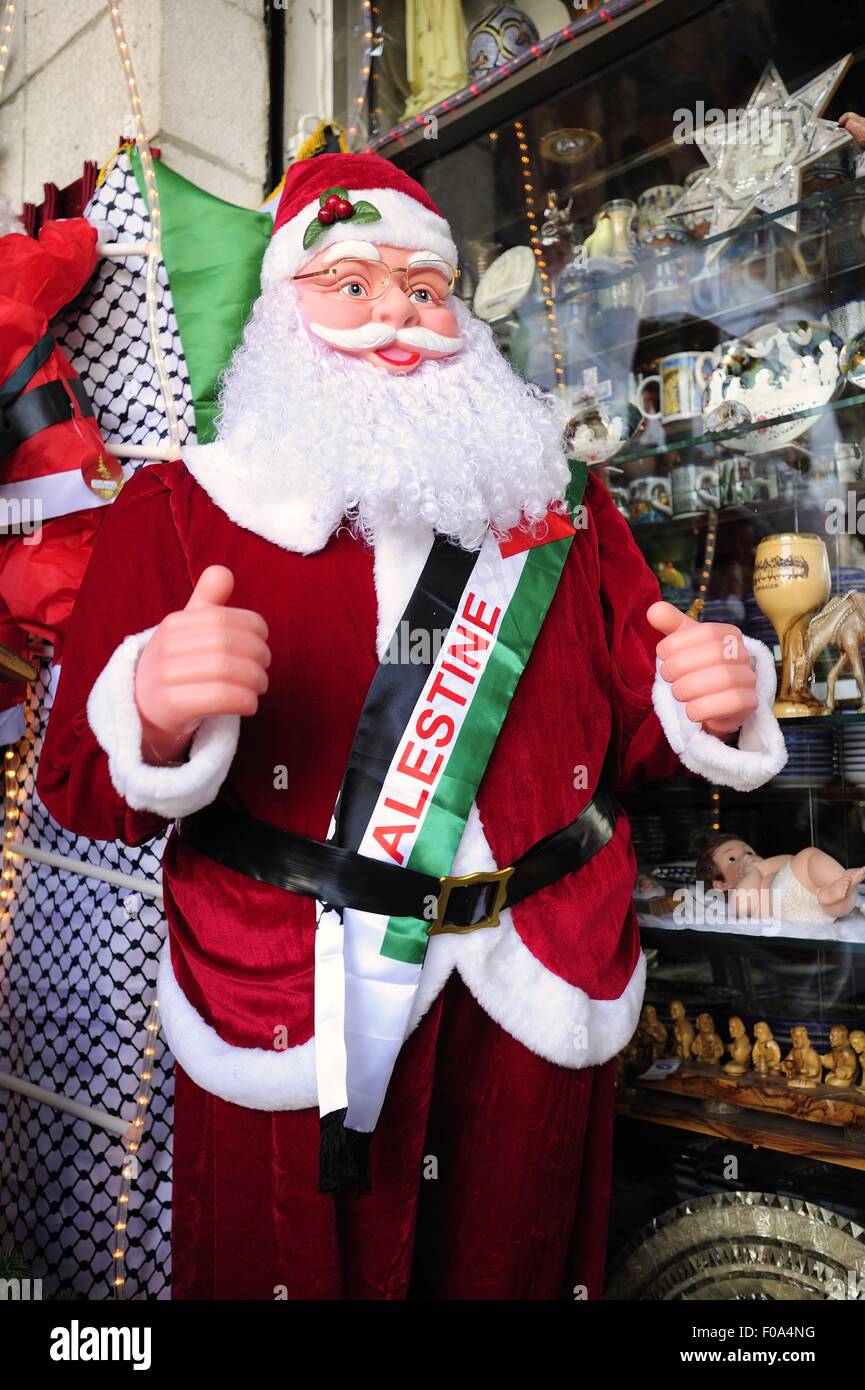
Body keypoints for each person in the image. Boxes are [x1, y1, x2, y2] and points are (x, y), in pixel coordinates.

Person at [37, 152, 786, 1300]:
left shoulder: (560, 511)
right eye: (348, 282)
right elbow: (81, 787)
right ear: (283, 312)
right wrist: (145, 707)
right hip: (294, 1000)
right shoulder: (180, 507)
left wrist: (705, 695)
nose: (396, 310)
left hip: (537, 988)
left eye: (425, 288)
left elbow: (632, 732)